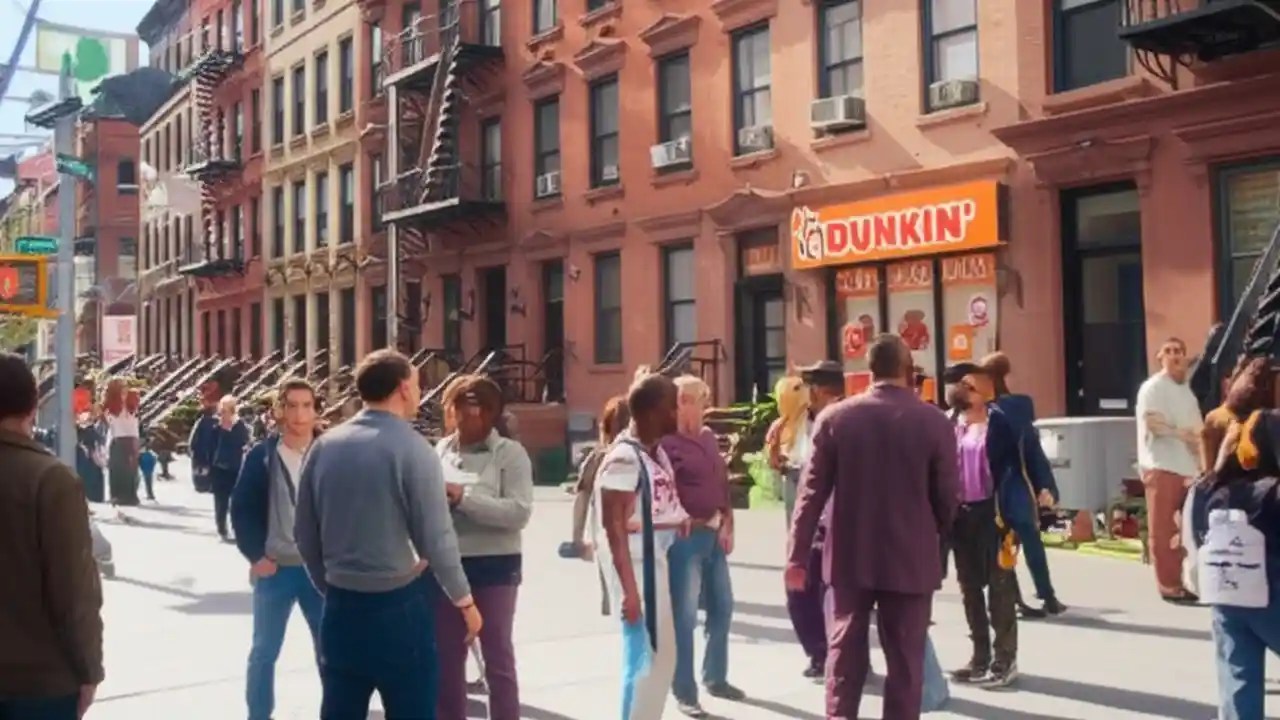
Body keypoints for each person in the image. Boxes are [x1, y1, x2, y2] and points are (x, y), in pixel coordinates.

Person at [294, 349, 481, 718]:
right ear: (402, 389)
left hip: (341, 605)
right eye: (415, 382)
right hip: (397, 606)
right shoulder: (414, 450)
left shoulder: (324, 447)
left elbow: (303, 532)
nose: (419, 390)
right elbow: (436, 538)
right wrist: (465, 601)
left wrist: (329, 584)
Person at [787, 334, 959, 720]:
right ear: (908, 370)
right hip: (910, 554)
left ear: (869, 371)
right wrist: (937, 536)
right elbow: (948, 495)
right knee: (905, 663)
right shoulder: (932, 421)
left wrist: (797, 556)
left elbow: (810, 495)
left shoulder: (835, 418)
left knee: (844, 655)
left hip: (850, 552)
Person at [0, 352, 104, 719]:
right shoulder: (51, 480)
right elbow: (73, 591)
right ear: (32, 408)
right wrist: (90, 669)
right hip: (41, 684)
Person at [434, 374, 534, 720]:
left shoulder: (510, 454)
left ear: (493, 414)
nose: (469, 417)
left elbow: (519, 512)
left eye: (479, 409)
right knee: (447, 660)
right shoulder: (441, 450)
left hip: (496, 566)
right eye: (462, 408)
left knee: (498, 658)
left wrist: (464, 498)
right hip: (447, 566)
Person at [595, 370, 688, 720]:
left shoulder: (653, 452)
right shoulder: (624, 458)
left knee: (662, 658)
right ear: (651, 412)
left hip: (655, 559)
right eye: (671, 407)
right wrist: (629, 592)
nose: (677, 414)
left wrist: (680, 519)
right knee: (648, 659)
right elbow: (613, 526)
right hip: (637, 566)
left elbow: (653, 503)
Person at [230, 378, 324, 720]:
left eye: (306, 405)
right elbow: (241, 507)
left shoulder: (329, 451)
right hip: (276, 569)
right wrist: (256, 555)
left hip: (321, 573)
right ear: (279, 411)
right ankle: (258, 715)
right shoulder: (262, 455)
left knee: (330, 651)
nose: (299, 414)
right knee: (264, 651)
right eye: (292, 405)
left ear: (315, 410)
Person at [1189, 407, 1280, 720]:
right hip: (1273, 596)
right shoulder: (1271, 492)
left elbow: (1195, 535)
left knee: (1238, 683)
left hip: (1227, 599)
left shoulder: (1212, 490)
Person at [661, 375, 742, 717]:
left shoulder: (709, 438)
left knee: (722, 606)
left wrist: (728, 522)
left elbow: (721, 483)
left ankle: (716, 677)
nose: (699, 404)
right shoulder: (666, 443)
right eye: (691, 398)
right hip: (686, 538)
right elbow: (664, 491)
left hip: (714, 533)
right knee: (685, 616)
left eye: (699, 397)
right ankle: (684, 690)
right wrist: (686, 519)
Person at [942, 366, 1023, 687]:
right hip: (961, 515)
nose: (961, 390)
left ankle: (1005, 659)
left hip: (994, 514)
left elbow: (1019, 465)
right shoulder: (950, 422)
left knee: (999, 586)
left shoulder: (999, 422)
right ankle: (980, 656)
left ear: (985, 392)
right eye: (959, 385)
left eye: (968, 385)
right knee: (969, 588)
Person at [974, 352, 1066, 618]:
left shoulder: (984, 412)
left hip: (993, 487)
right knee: (1030, 540)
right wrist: (1045, 486)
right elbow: (1033, 452)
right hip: (1020, 484)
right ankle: (1047, 595)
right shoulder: (1019, 408)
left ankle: (1013, 598)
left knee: (1003, 543)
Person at [1135, 337, 1203, 603]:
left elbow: (1198, 431)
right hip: (1162, 466)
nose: (1176, 356)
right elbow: (1153, 424)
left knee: (1187, 529)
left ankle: (1185, 580)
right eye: (1170, 351)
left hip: (1188, 469)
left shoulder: (1186, 391)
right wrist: (1182, 435)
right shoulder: (1152, 388)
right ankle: (1169, 586)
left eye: (1180, 351)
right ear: (1160, 357)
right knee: (1163, 530)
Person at [564, 394, 630, 560]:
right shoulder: (646, 453)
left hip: (606, 540)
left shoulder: (598, 457)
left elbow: (583, 496)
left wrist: (577, 540)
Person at [765, 375, 811, 526]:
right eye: (796, 388)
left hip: (810, 472)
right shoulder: (780, 426)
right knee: (793, 519)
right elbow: (772, 455)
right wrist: (777, 457)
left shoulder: (814, 418)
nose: (803, 390)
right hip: (791, 473)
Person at [210, 395, 251, 542]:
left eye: (226, 410)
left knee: (236, 501)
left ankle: (237, 529)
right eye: (221, 410)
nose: (223, 414)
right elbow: (210, 447)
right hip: (218, 468)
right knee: (220, 501)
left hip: (236, 468)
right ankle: (222, 529)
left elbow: (243, 443)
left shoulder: (240, 427)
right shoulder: (215, 428)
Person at [104, 381, 142, 506]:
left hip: (130, 439)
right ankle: (117, 496)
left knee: (130, 470)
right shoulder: (111, 408)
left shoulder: (132, 405)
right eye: (122, 390)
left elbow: (134, 424)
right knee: (118, 470)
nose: (124, 393)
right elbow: (111, 424)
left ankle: (130, 496)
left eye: (125, 389)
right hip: (118, 440)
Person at [188, 399, 219, 494]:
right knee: (210, 468)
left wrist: (191, 448)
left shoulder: (201, 422)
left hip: (200, 449)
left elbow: (194, 437)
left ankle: (200, 485)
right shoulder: (217, 422)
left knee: (199, 468)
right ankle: (210, 485)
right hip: (212, 449)